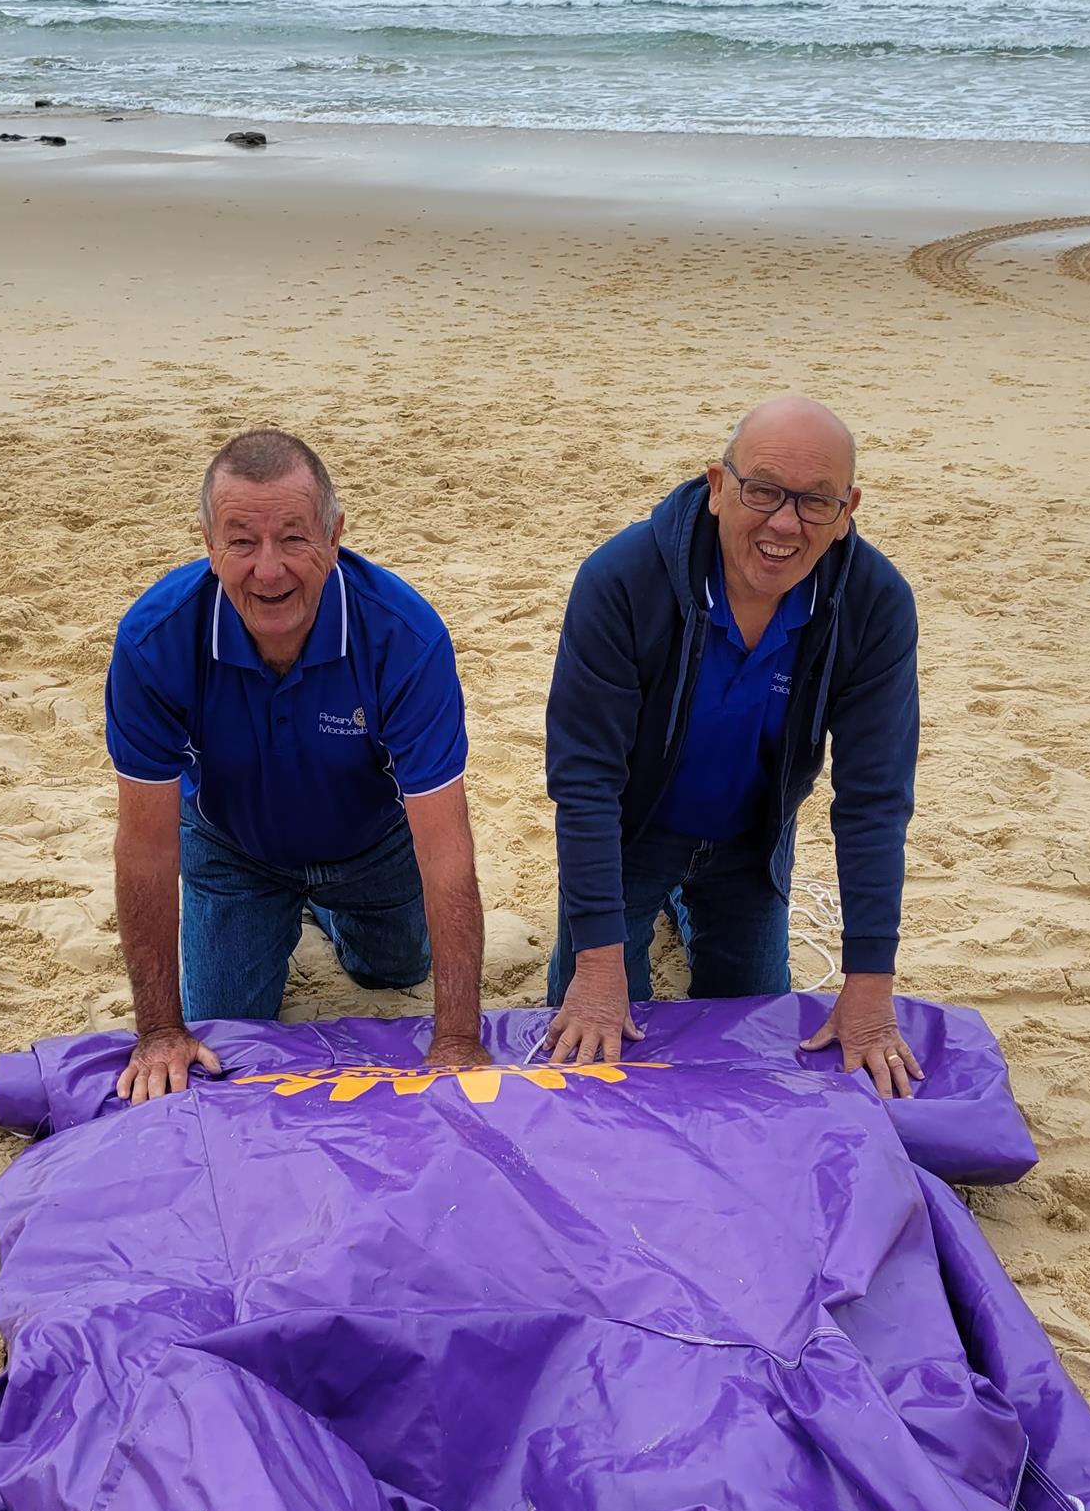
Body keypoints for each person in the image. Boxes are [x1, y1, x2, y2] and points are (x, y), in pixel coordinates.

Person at [543, 396, 924, 1096]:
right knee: (589, 1041)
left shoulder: (876, 604)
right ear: (718, 487)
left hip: (752, 839)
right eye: (763, 490)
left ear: (847, 512)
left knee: (757, 1031)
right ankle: (650, 904)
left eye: (816, 501)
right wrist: (596, 967)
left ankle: (687, 906)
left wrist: (870, 985)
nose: (785, 522)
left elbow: (874, 799)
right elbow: (585, 780)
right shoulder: (621, 579)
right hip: (631, 832)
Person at [106, 429, 488, 1100]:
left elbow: (447, 845)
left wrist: (457, 1040)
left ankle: (326, 913)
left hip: (372, 845)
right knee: (226, 1024)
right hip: (233, 847)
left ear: (334, 536)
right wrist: (160, 1031)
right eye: (241, 542)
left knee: (396, 971)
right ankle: (275, 909)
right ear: (208, 545)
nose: (269, 569)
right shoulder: (153, 639)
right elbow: (144, 849)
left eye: (293, 537)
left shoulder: (405, 636)